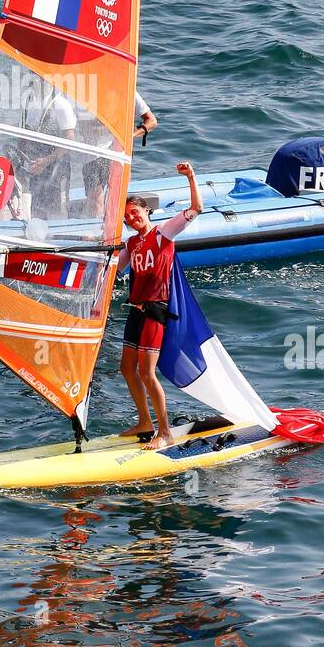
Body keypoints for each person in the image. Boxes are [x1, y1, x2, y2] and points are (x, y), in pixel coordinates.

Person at [116, 160, 203, 450]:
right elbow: (115, 270)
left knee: (146, 372)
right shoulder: (131, 243)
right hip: (135, 310)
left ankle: (164, 431)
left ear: (146, 212)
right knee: (127, 369)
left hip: (155, 310)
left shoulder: (163, 234)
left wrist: (191, 177)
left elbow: (196, 210)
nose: (132, 218)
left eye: (136, 212)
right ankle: (145, 421)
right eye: (128, 215)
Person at [84, 90, 158, 217]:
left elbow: (152, 121)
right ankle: (97, 232)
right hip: (91, 153)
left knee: (116, 200)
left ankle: (115, 229)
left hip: (118, 153)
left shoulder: (128, 92)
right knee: (95, 204)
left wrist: (130, 136)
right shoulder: (89, 87)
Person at [16, 81, 76, 219]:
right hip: (35, 164)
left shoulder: (60, 104)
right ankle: (37, 233)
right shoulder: (28, 102)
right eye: (31, 72)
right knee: (36, 207)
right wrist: (18, 163)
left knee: (54, 209)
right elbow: (22, 135)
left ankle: (55, 236)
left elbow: (69, 139)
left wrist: (46, 161)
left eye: (37, 75)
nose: (33, 78)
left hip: (57, 165)